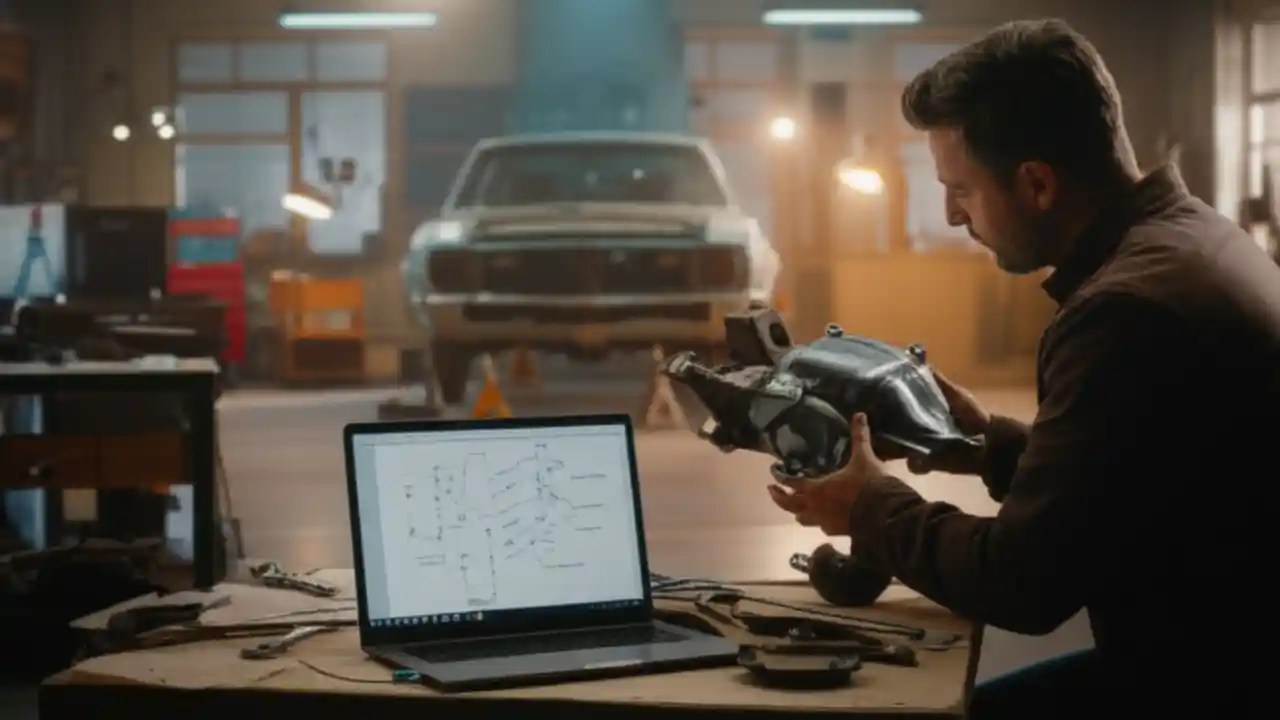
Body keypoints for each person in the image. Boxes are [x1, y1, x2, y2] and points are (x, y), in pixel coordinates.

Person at [766, 18, 1278, 716]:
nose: (951, 216)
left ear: (1036, 183)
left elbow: (1022, 581)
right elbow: (1136, 478)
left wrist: (869, 506)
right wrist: (983, 445)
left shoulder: (1122, 311)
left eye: (962, 190)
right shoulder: (1200, 239)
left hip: (1206, 686)